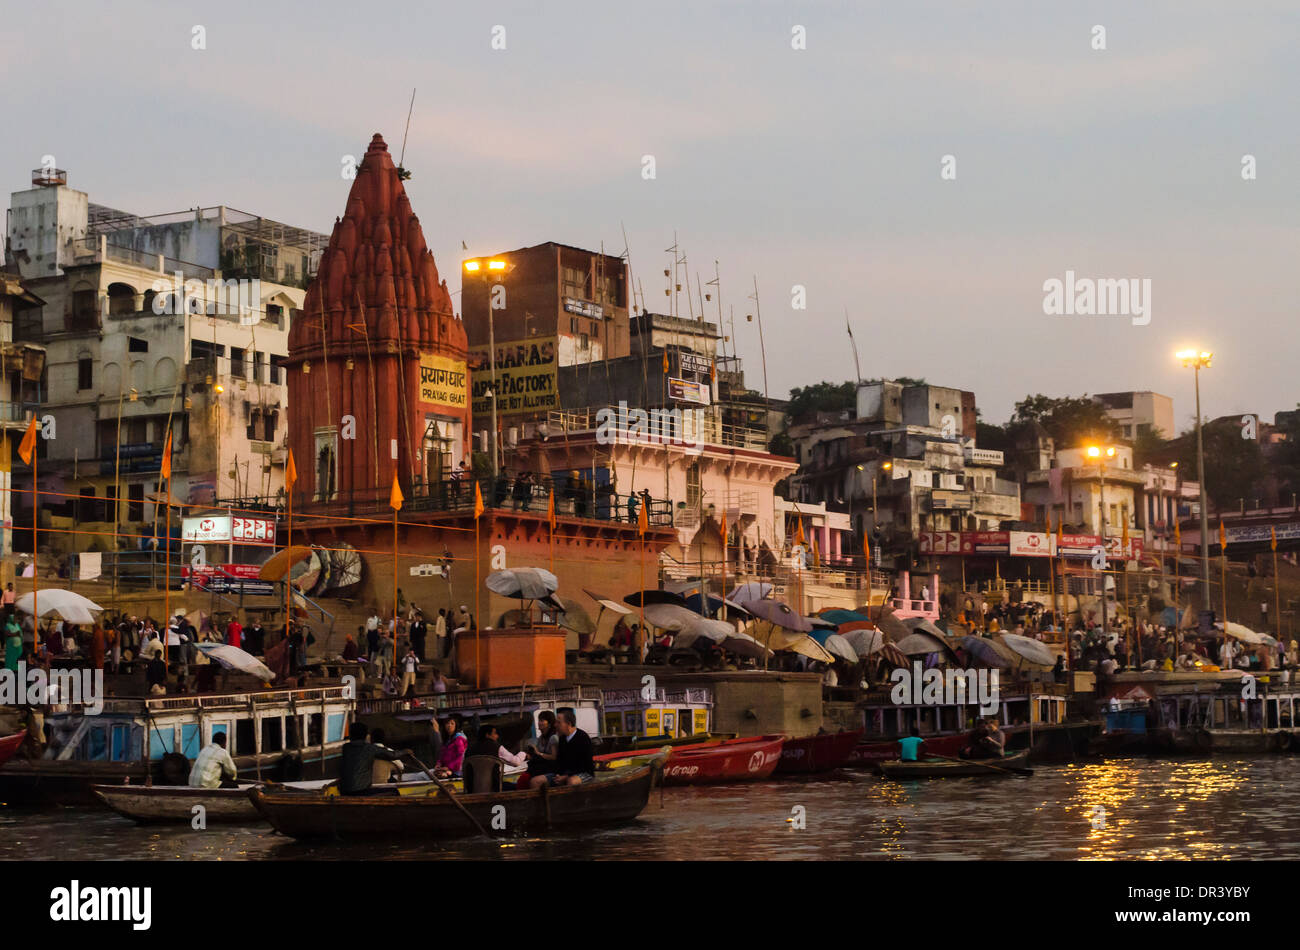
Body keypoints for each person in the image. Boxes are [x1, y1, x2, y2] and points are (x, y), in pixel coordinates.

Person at [337, 722, 404, 796]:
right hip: (361, 792)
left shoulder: (346, 748)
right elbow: (393, 755)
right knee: (394, 792)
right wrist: (406, 751)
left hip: (344, 792)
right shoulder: (369, 748)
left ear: (350, 735)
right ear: (366, 735)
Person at [531, 709, 593, 787]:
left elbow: (585, 766)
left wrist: (566, 776)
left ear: (568, 724)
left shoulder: (583, 738)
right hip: (564, 774)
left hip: (584, 772)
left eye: (558, 722)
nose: (555, 725)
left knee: (571, 781)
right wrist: (559, 775)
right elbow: (560, 761)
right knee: (535, 781)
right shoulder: (562, 738)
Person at [465, 724, 528, 789]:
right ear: (487, 735)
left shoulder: (469, 749)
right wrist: (524, 753)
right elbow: (516, 762)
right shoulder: (496, 747)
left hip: (471, 789)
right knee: (521, 786)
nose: (497, 736)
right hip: (494, 787)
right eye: (495, 733)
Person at [520, 710, 560, 788]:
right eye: (539, 720)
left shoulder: (553, 737)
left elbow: (554, 757)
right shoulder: (540, 738)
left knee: (528, 779)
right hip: (542, 767)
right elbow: (537, 754)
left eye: (542, 720)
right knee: (524, 778)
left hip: (552, 769)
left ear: (549, 724)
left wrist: (539, 753)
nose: (539, 723)